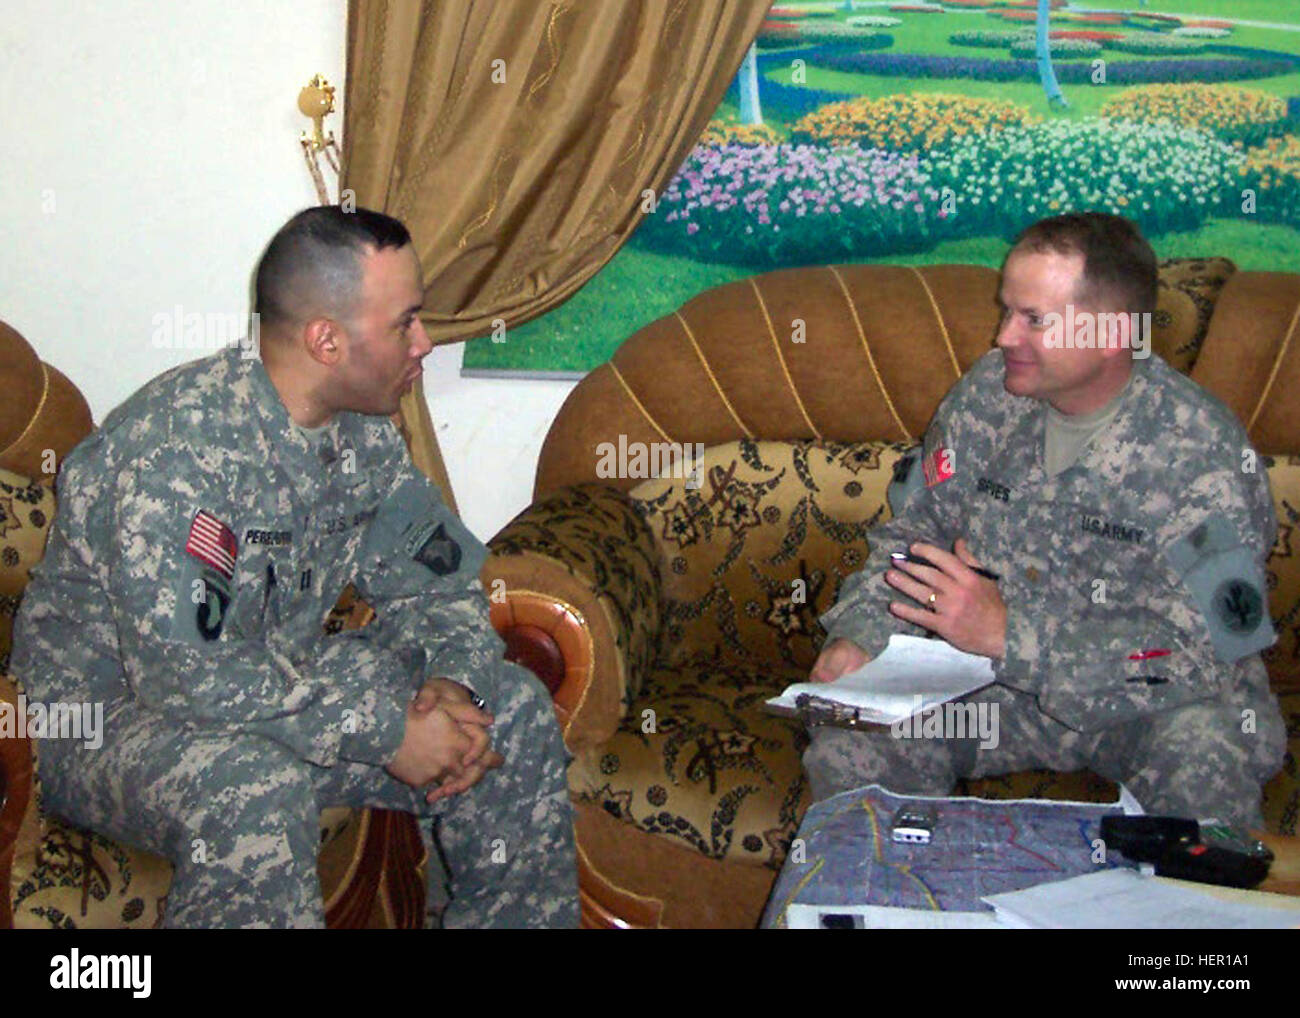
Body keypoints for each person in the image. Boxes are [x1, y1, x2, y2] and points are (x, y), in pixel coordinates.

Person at [12, 205, 578, 928]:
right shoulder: (177, 453)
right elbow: (189, 675)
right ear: (326, 340)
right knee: (255, 790)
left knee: (511, 709)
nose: (425, 342)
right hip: (103, 717)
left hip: (269, 679)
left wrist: (450, 685)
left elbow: (435, 581)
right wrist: (387, 732)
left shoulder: (363, 433)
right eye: (405, 321)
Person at [804, 211, 1286, 829]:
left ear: (1113, 334)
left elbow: (1200, 654)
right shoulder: (988, 397)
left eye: (1034, 319)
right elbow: (914, 539)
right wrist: (860, 637)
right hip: (997, 691)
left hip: (1152, 706)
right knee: (852, 743)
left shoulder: (1200, 453)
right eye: (1007, 310)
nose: (1005, 336)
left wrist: (1012, 636)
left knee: (1205, 758)